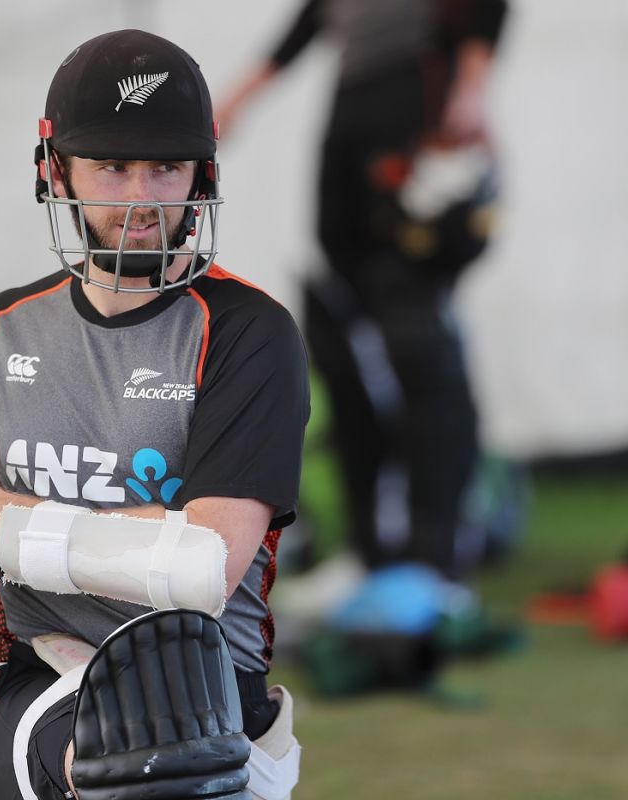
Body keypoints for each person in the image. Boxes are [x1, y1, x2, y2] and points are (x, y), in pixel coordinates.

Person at [0, 29, 309, 800]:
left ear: (201, 174)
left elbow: (205, 564)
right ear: (56, 170)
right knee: (129, 759)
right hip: (39, 677)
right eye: (111, 166)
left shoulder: (249, 332)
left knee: (158, 747)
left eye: (165, 168)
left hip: (201, 684)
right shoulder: (5, 328)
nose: (140, 198)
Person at [217, 2, 508, 588]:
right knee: (339, 338)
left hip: (415, 108)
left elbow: (484, 10)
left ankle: (434, 553)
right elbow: (308, 24)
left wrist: (472, 89)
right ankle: (368, 545)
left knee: (417, 342)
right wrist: (234, 103)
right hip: (351, 116)